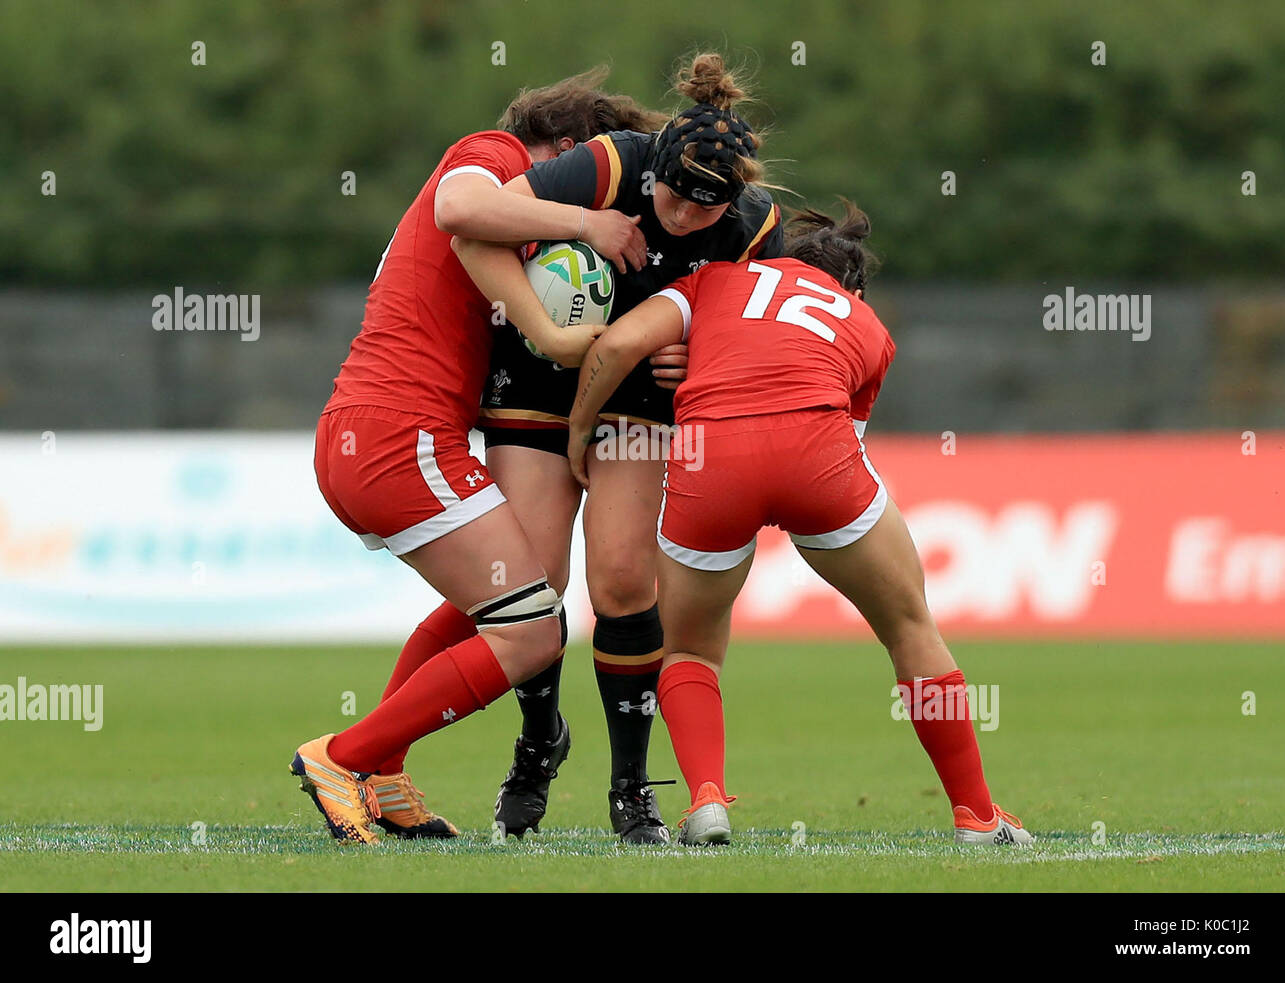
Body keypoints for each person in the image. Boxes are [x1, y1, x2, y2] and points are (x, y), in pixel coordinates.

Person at [564, 201, 1034, 847]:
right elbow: (846, 434)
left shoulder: (719, 278)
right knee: (910, 629)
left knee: (691, 649)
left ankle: (706, 800)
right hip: (817, 455)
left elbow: (616, 344)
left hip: (711, 460)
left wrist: (581, 428)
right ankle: (977, 815)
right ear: (855, 287)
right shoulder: (867, 323)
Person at [290, 71, 664, 844]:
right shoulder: (490, 151)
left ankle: (384, 772)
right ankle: (342, 756)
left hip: (382, 432)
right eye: (585, 174)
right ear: (565, 147)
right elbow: (457, 208)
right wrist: (588, 225)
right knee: (533, 629)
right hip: (403, 438)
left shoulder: (510, 205)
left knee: (503, 600)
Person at [452, 52, 783, 844]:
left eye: (705, 212)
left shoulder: (753, 227)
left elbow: (755, 338)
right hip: (540, 375)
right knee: (533, 588)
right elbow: (469, 220)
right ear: (658, 162)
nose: (682, 217)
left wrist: (695, 351)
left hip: (637, 402)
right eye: (671, 197)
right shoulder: (610, 163)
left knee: (625, 579)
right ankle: (538, 746)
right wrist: (583, 224)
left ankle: (632, 789)